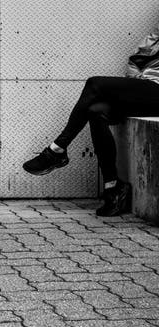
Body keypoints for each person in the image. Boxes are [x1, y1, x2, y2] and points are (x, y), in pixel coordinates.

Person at [23, 24, 159, 216]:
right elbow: (135, 60)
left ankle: (57, 149)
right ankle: (113, 187)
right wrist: (137, 82)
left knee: (95, 83)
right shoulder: (156, 34)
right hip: (146, 90)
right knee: (95, 111)